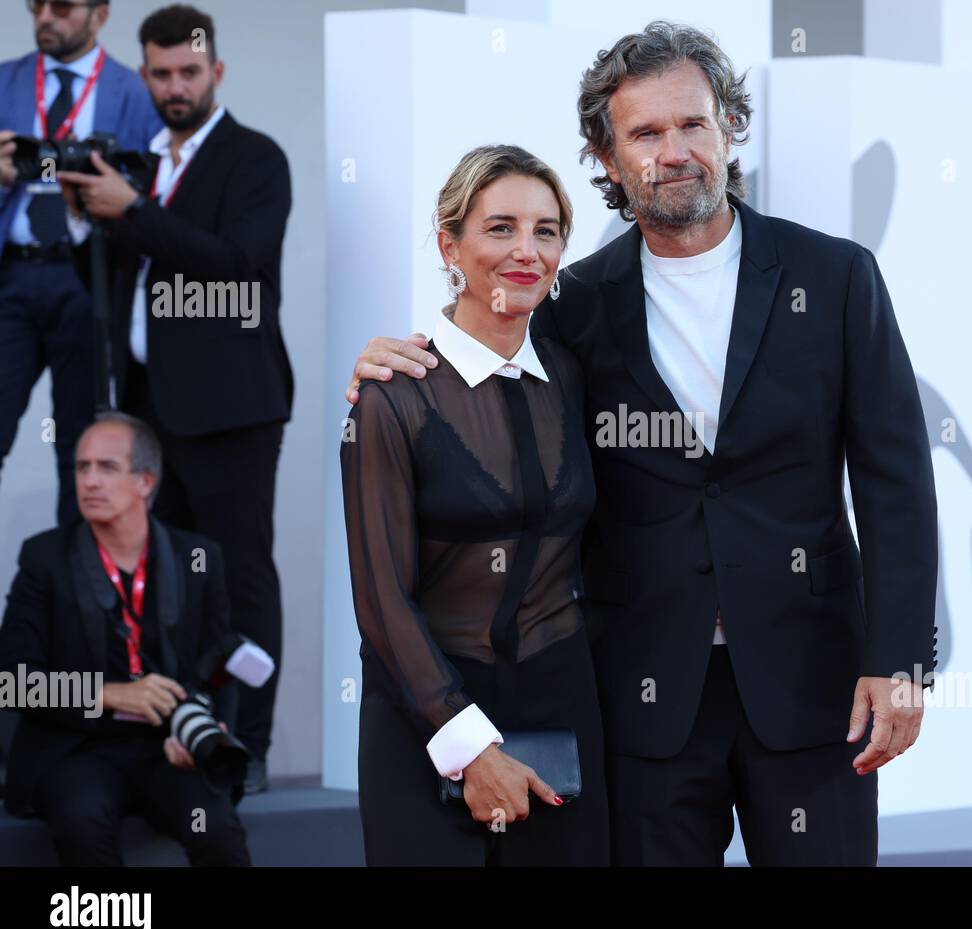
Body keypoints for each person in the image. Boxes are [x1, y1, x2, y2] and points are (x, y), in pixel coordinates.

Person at [345, 22, 939, 866]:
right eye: (646, 133)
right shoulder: (578, 303)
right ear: (607, 156)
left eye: (694, 124)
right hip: (644, 692)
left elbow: (897, 482)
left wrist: (901, 658)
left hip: (814, 684)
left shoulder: (834, 278)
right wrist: (396, 363)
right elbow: (489, 362)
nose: (675, 151)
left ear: (730, 128)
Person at [341, 144, 608, 866]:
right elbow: (381, 598)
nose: (526, 250)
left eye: (546, 231)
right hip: (423, 717)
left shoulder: (575, 381)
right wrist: (467, 744)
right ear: (447, 243)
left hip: (562, 713)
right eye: (500, 228)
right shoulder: (392, 397)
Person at [57, 4, 293, 794]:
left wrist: (137, 213)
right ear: (146, 74)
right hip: (152, 406)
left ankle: (249, 745)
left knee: (242, 575)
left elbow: (239, 266)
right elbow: (130, 272)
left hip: (234, 409)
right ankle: (185, 734)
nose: (174, 86)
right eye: (159, 73)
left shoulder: (255, 158)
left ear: (215, 72)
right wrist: (94, 218)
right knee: (176, 579)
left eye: (188, 71)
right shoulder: (143, 166)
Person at [0, 411, 251, 866]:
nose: (90, 481)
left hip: (166, 747)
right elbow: (13, 681)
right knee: (82, 820)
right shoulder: (44, 558)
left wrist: (208, 732)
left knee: (218, 831)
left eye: (107, 467)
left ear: (145, 481)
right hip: (77, 749)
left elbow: (221, 663)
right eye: (82, 467)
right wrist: (110, 694)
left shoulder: (197, 557)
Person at [0, 0, 161, 527]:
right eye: (36, 5)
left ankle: (76, 596)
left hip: (91, 279)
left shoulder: (133, 91)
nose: (46, 16)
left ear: (100, 13)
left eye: (63, 5)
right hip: (12, 275)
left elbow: (151, 188)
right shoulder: (5, 81)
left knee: (81, 444)